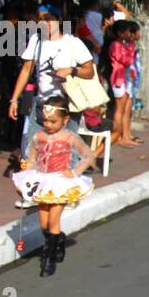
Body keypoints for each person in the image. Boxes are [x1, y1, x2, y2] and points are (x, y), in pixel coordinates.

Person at [12, 96, 99, 277]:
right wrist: (26, 175)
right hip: (43, 181)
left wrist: (74, 173)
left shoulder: (69, 137)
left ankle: (49, 257)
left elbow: (88, 155)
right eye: (45, 120)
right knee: (43, 223)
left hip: (60, 181)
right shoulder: (39, 136)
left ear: (65, 120)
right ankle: (58, 239)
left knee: (53, 220)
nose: (48, 124)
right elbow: (32, 158)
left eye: (53, 121)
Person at [8, 0, 96, 163]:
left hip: (67, 105)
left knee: (67, 154)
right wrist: (14, 99)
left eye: (48, 19)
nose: (44, 23)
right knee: (30, 151)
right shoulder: (36, 41)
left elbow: (89, 71)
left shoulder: (72, 43)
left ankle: (66, 185)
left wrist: (71, 70)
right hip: (42, 103)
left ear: (58, 20)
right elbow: (26, 69)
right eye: (40, 19)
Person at [108, 20, 141, 147]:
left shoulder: (125, 44)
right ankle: (118, 136)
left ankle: (126, 136)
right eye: (127, 31)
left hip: (127, 80)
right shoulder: (115, 45)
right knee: (119, 110)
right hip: (119, 79)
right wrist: (131, 49)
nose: (129, 34)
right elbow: (126, 60)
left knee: (127, 110)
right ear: (120, 33)